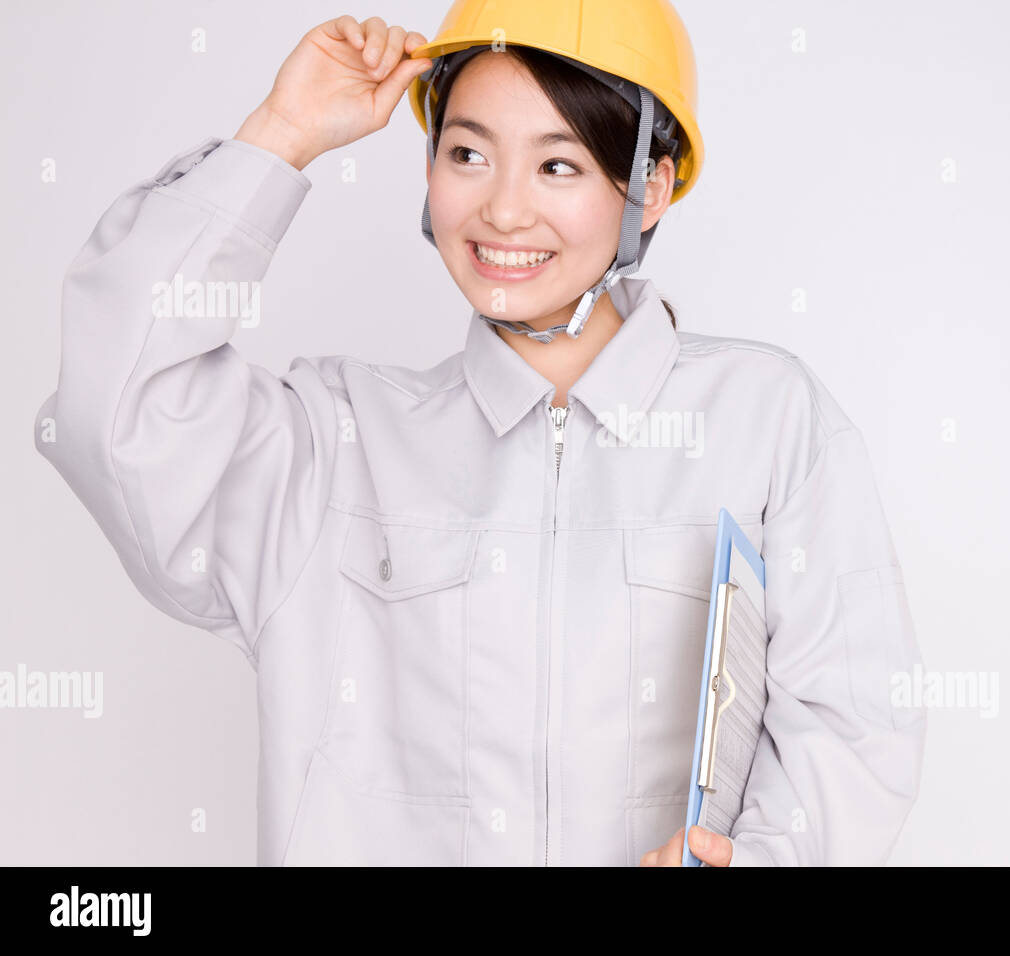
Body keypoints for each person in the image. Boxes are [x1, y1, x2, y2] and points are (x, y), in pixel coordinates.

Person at [32, 1, 926, 866]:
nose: (502, 211)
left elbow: (853, 721)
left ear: (650, 187)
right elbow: (116, 402)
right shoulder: (332, 444)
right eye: (467, 153)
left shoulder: (765, 419)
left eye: (559, 166)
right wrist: (281, 133)